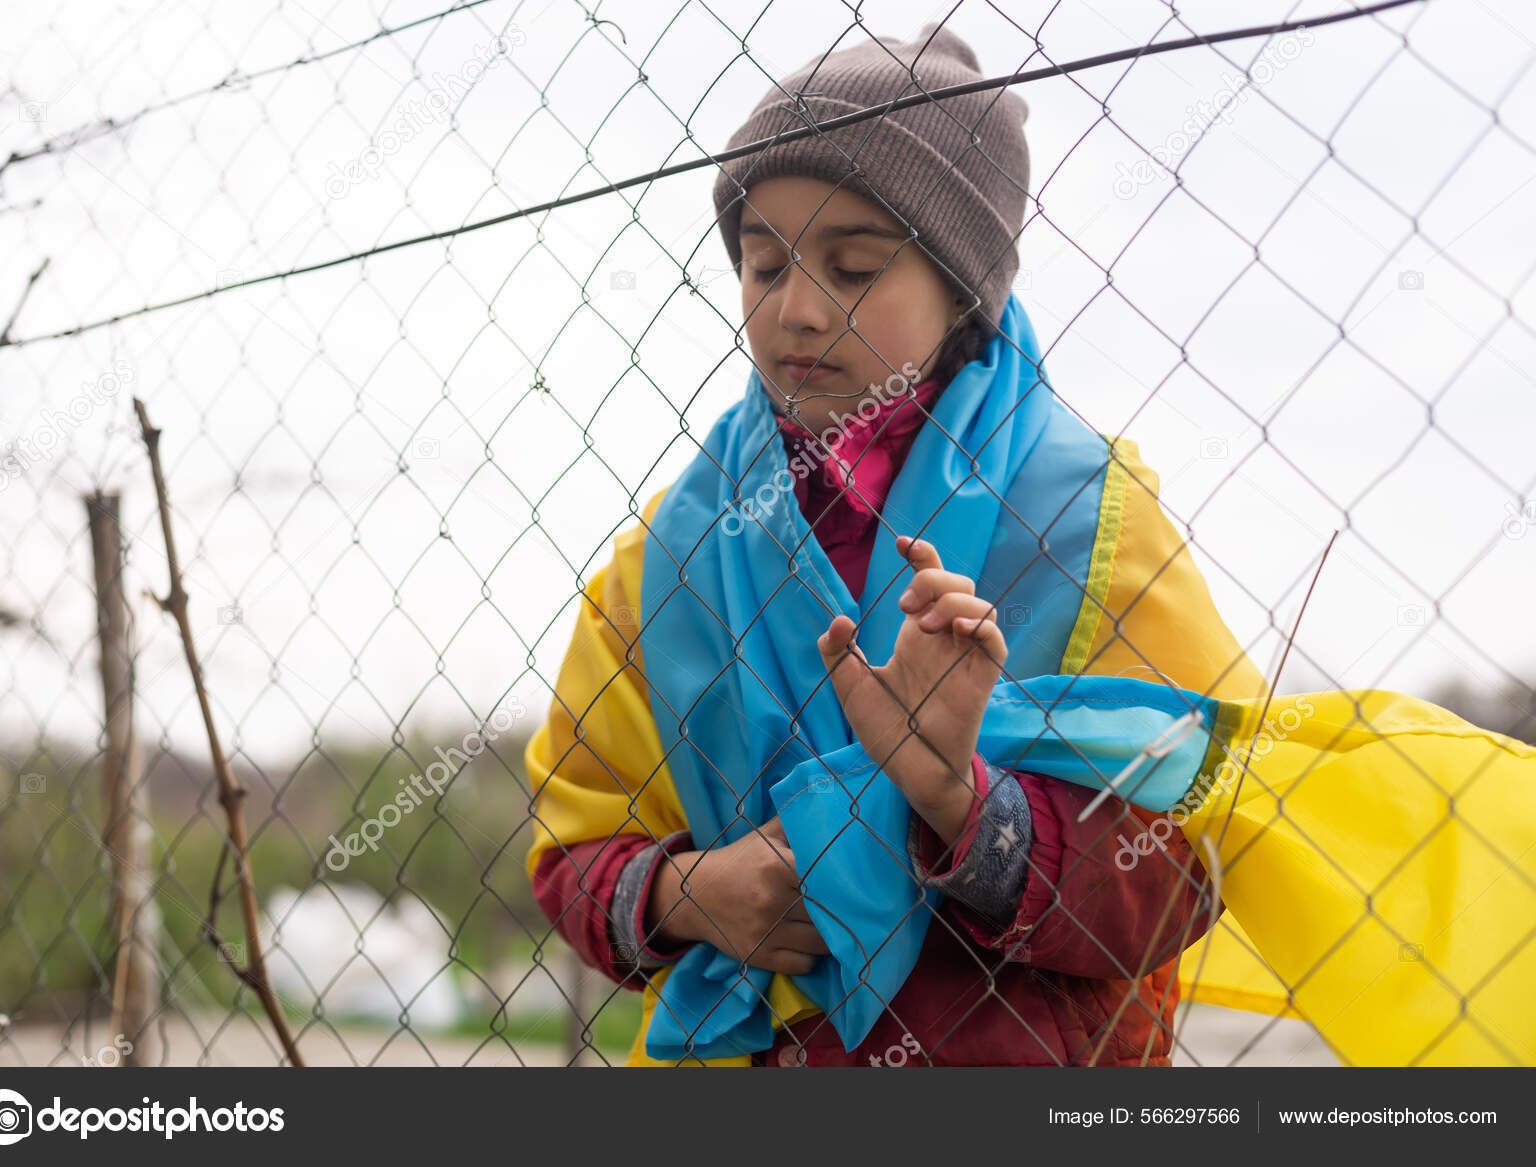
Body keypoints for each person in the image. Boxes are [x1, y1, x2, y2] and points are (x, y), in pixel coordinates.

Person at [525, 20, 1536, 1068]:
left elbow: (1188, 858)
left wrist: (966, 807)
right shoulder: (672, 556)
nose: (796, 309)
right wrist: (688, 894)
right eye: (761, 263)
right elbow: (573, 852)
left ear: (964, 286)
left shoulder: (1091, 523)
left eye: (854, 265)